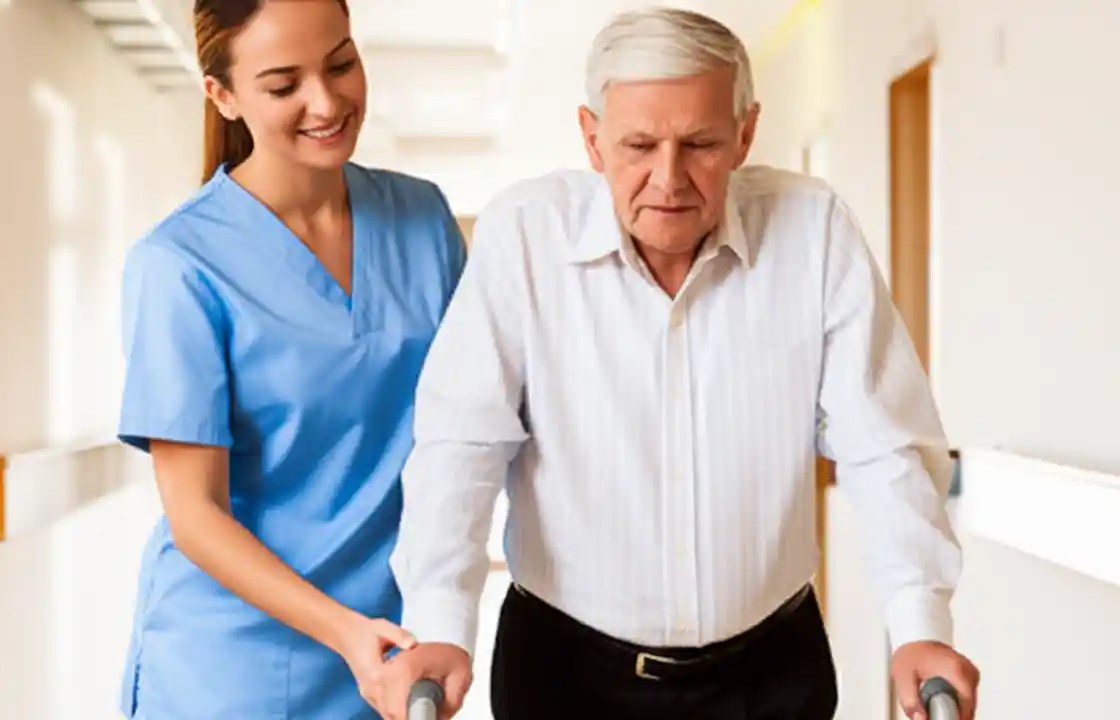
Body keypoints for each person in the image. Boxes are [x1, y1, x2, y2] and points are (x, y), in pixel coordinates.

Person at [382, 7, 980, 720]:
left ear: (745, 135)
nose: (668, 179)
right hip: (565, 672)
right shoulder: (524, 237)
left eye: (699, 143)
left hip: (769, 672)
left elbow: (882, 442)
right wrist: (442, 623)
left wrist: (918, 622)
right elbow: (461, 446)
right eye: (639, 145)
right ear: (592, 138)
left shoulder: (813, 229)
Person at [113, 1, 467, 717]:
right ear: (223, 94)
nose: (327, 102)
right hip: (231, 663)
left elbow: (473, 426)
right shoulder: (180, 264)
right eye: (284, 86)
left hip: (385, 649)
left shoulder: (423, 219)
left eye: (341, 63)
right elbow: (196, 515)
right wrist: (346, 633)